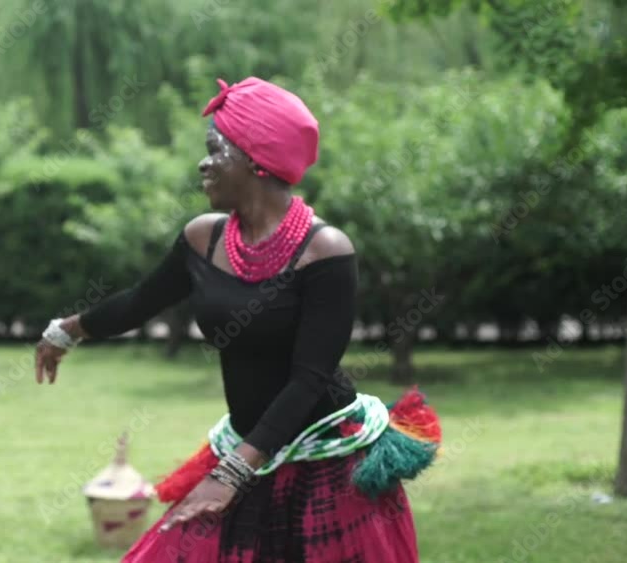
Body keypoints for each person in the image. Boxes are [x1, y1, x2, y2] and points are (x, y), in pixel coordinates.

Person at [34, 77, 439, 562]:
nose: (203, 164)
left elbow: (309, 378)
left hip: (322, 455)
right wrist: (68, 330)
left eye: (215, 150)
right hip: (246, 445)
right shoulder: (203, 239)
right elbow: (139, 302)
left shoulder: (325, 250)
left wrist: (231, 472)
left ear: (256, 161)